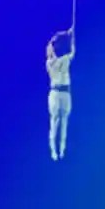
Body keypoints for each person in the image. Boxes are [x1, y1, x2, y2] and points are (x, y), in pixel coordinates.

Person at [46, 29, 75, 161]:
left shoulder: (63, 60)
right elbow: (70, 55)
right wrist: (69, 36)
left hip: (65, 92)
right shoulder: (51, 63)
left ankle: (62, 148)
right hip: (55, 93)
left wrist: (68, 34)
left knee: (64, 120)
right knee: (55, 120)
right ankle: (53, 149)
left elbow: (72, 53)